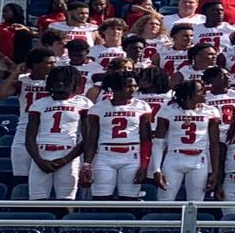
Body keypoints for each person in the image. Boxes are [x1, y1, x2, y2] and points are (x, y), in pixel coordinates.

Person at [81, 70, 153, 201]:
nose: (133, 89)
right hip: (104, 155)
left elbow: (146, 139)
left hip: (132, 155)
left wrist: (144, 166)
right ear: (115, 87)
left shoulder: (142, 106)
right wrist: (87, 164)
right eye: (128, 86)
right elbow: (92, 139)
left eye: (134, 86)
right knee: (101, 199)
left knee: (129, 199)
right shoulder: (98, 108)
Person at [23, 65, 92, 201]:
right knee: (37, 201)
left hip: (68, 154)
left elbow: (88, 138)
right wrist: (39, 160)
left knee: (66, 201)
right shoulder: (39, 104)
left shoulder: (84, 103)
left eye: (65, 80)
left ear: (74, 82)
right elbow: (29, 137)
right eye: (56, 80)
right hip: (41, 155)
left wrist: (65, 160)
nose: (60, 84)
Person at [146, 80, 220, 202]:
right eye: (200, 91)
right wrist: (156, 169)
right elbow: (159, 142)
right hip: (174, 157)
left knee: (195, 203)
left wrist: (214, 171)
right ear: (188, 94)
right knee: (164, 200)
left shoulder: (211, 111)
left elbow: (214, 144)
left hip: (199, 159)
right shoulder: (168, 110)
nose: (205, 93)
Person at [0, 48, 55, 184]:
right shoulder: (21, 82)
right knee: (21, 179)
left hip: (48, 132)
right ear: (35, 64)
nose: (53, 66)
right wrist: (14, 73)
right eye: (48, 63)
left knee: (46, 178)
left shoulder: (56, 82)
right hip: (24, 131)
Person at [0, 3, 32, 79]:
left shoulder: (25, 28)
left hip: (19, 60)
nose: (4, 14)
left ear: (15, 12)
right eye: (3, 12)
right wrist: (4, 58)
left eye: (6, 11)